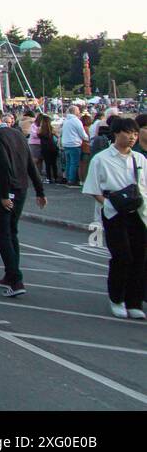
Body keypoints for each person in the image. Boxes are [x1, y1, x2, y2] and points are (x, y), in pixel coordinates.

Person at [0, 104, 47, 297]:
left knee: (2, 234)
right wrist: (39, 190)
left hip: (4, 191)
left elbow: (2, 167)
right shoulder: (17, 134)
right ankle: (11, 274)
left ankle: (15, 279)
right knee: (12, 231)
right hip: (21, 189)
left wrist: (3, 195)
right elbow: (29, 164)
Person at [82, 115, 146, 319]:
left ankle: (134, 302)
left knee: (139, 257)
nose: (132, 137)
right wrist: (108, 204)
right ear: (117, 133)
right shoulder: (101, 159)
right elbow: (93, 188)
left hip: (138, 211)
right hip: (114, 213)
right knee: (122, 256)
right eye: (128, 133)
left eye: (135, 133)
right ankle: (116, 298)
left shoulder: (140, 159)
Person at [61, 103, 89, 185]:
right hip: (74, 144)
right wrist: (87, 138)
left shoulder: (66, 120)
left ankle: (68, 178)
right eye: (78, 110)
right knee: (74, 163)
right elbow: (82, 133)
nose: (79, 112)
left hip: (66, 144)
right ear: (75, 112)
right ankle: (72, 180)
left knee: (68, 163)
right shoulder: (76, 121)